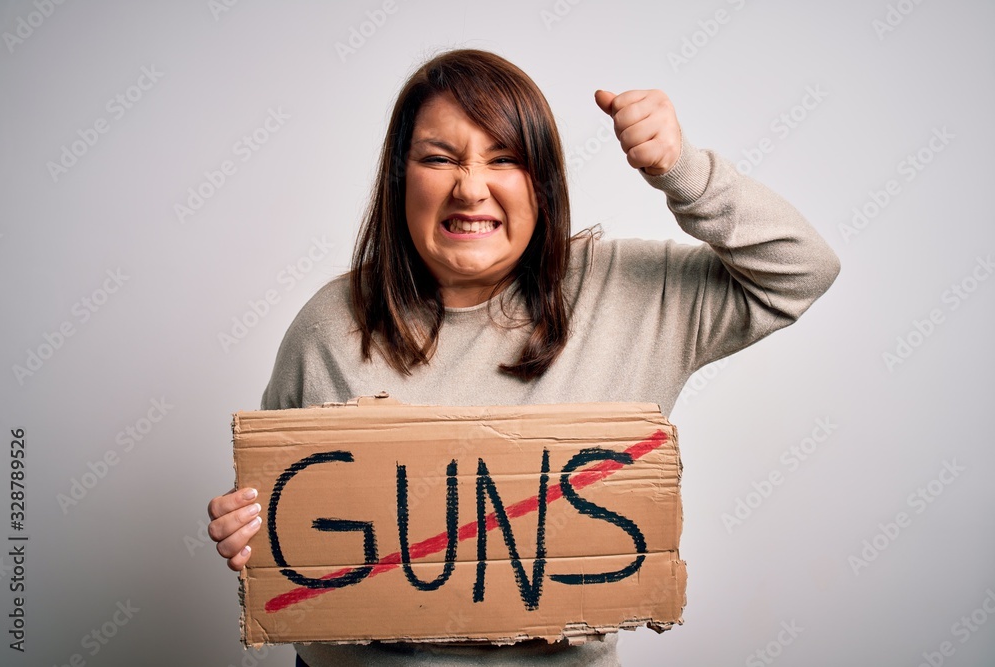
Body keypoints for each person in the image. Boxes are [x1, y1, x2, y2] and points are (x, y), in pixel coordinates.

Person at [207, 49, 840, 667]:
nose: (470, 187)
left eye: (504, 159)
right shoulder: (331, 325)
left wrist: (682, 169)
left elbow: (801, 271)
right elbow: (282, 548)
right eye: (438, 158)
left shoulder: (630, 293)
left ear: (543, 182)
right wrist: (249, 539)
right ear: (401, 178)